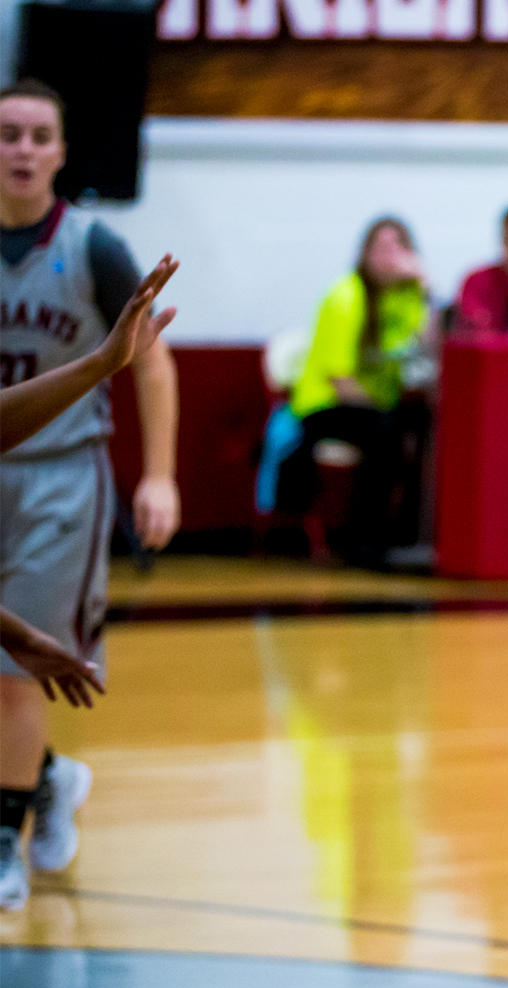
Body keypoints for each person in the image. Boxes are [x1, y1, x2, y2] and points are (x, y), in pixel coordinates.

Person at [0, 79, 183, 911]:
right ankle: (46, 778)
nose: (23, 149)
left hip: (61, 476)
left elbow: (152, 357)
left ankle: (5, 837)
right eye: (9, 134)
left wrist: (159, 473)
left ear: (62, 152)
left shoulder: (94, 246)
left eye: (39, 135)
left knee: (14, 673)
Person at [279, 217, 432, 570]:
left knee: (425, 426)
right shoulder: (345, 295)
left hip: (378, 406)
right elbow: (339, 379)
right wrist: (383, 411)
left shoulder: (405, 298)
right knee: (385, 431)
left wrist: (425, 288)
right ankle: (367, 542)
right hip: (324, 406)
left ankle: (413, 536)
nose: (388, 258)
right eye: (380, 249)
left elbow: (430, 347)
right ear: (364, 254)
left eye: (397, 249)